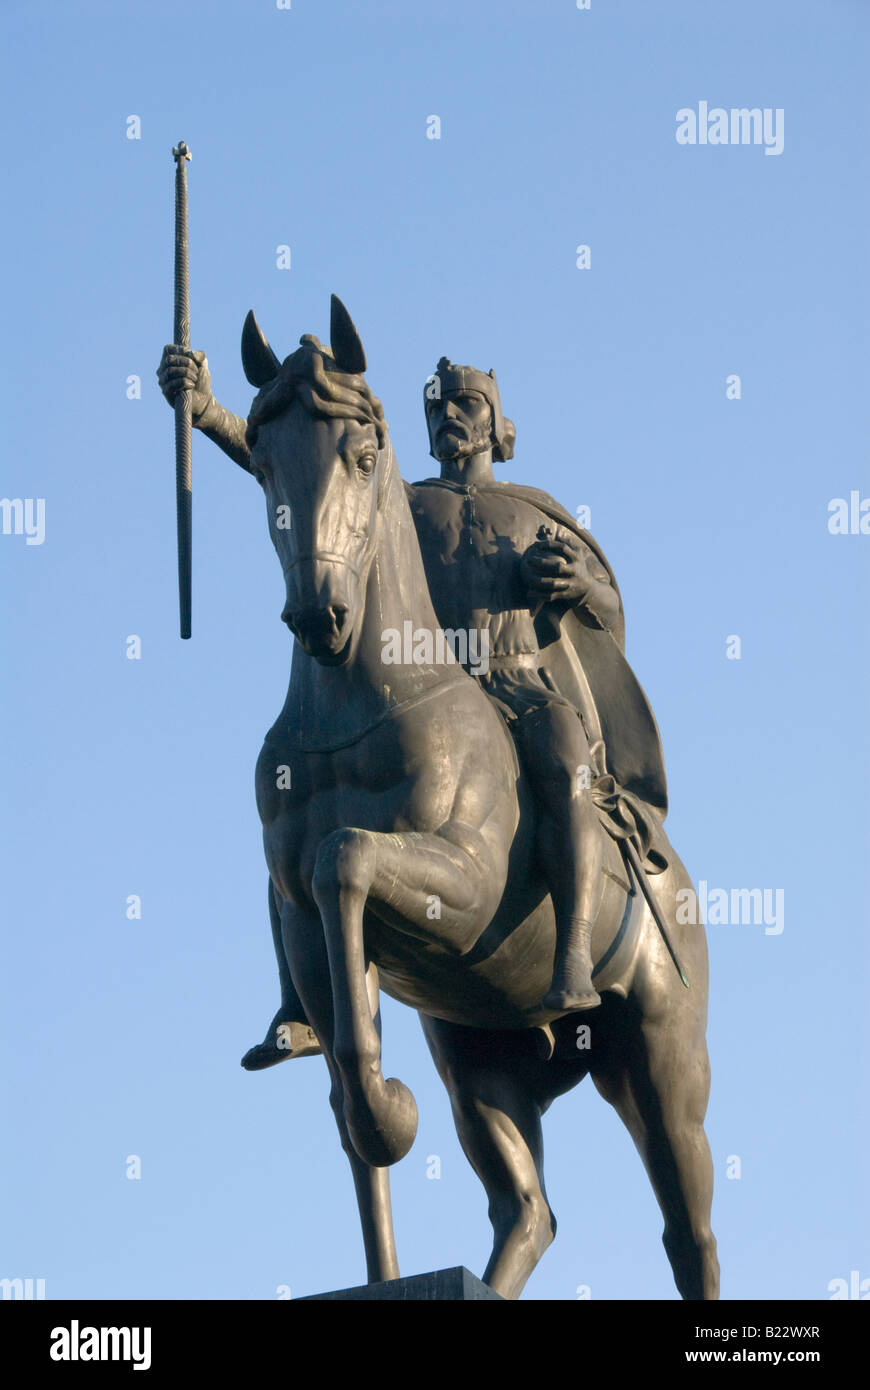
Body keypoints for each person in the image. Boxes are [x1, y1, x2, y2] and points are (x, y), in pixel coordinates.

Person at [156, 340, 668, 1066]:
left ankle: (575, 952)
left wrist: (580, 584)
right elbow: (306, 463)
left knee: (561, 751)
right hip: (424, 686)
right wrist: (207, 413)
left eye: (467, 405)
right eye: (438, 406)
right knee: (304, 797)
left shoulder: (538, 510)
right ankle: (303, 1002)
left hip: (520, 680)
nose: (450, 417)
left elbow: (609, 616)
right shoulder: (402, 497)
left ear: (498, 425)